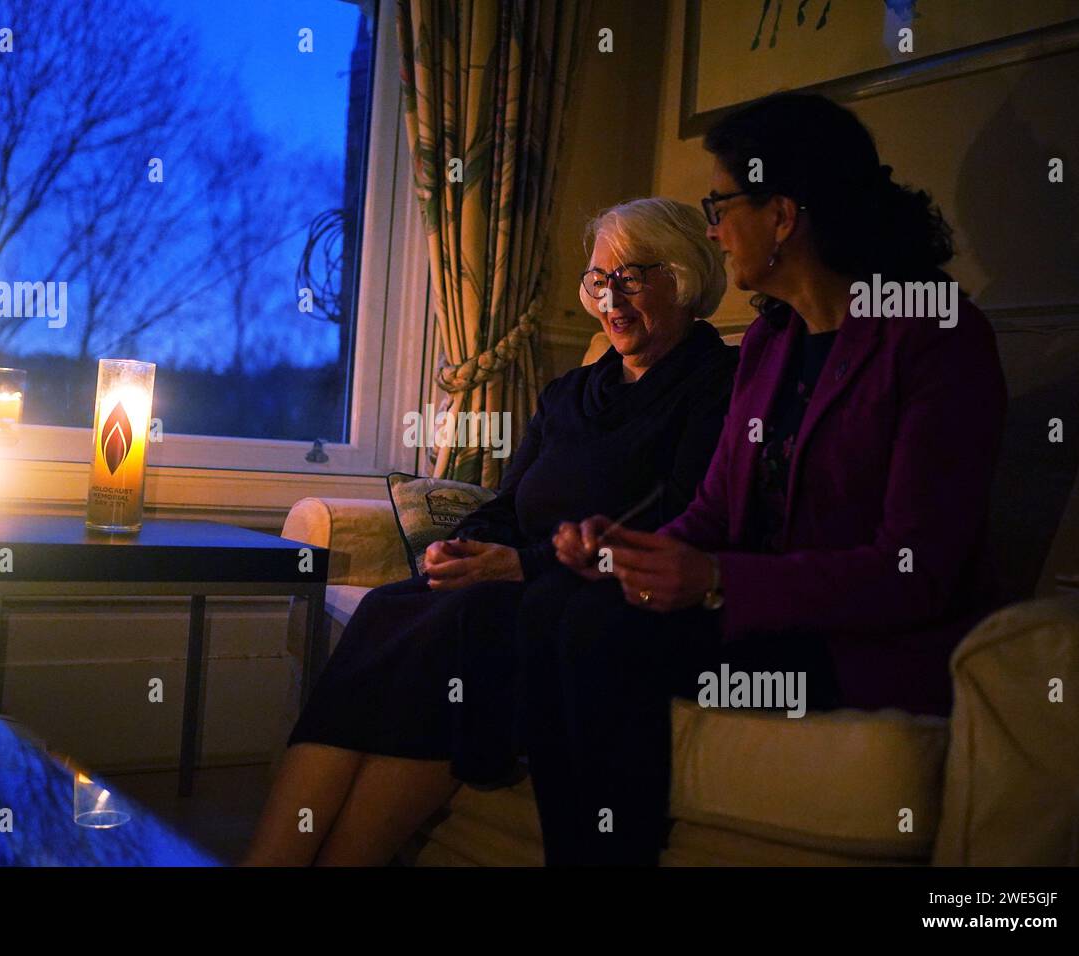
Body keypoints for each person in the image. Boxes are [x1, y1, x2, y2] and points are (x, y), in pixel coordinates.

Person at [535, 92, 1007, 865]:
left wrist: (718, 580)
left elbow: (914, 572)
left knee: (602, 635)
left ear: (783, 215)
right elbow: (717, 509)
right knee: (558, 601)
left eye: (721, 204)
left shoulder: (935, 336)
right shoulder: (769, 341)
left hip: (866, 641)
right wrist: (632, 548)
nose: (713, 226)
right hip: (766, 619)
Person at [244, 198, 738, 865]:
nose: (610, 299)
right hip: (512, 574)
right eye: (598, 280)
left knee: (463, 622)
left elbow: (674, 516)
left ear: (681, 279)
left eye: (631, 278)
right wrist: (463, 541)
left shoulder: (719, 385)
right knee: (390, 608)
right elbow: (509, 501)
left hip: (583, 592)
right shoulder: (570, 392)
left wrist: (519, 565)